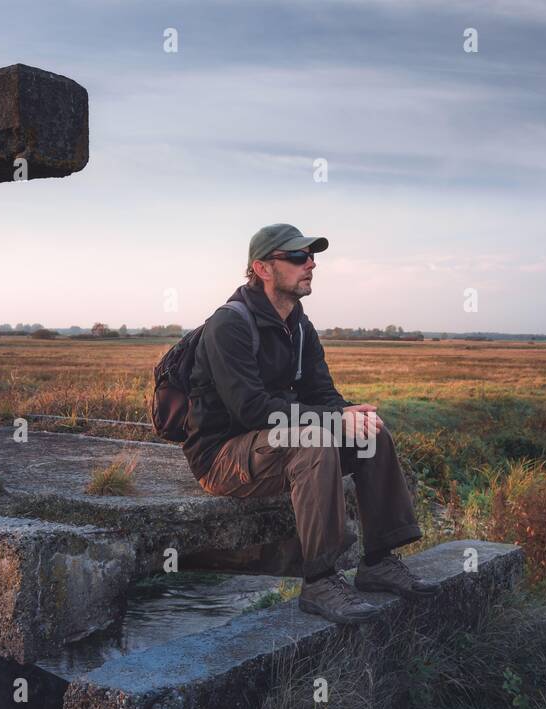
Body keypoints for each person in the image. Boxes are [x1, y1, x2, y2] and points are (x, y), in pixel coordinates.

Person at [183, 223, 439, 624]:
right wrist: (333, 420)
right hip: (224, 457)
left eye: (312, 257)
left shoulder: (299, 326)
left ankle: (379, 560)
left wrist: (349, 415)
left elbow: (323, 394)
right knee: (315, 441)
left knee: (372, 431)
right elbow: (250, 410)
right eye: (298, 257)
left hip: (275, 444)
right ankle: (320, 579)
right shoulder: (229, 325)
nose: (311, 265)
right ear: (263, 268)